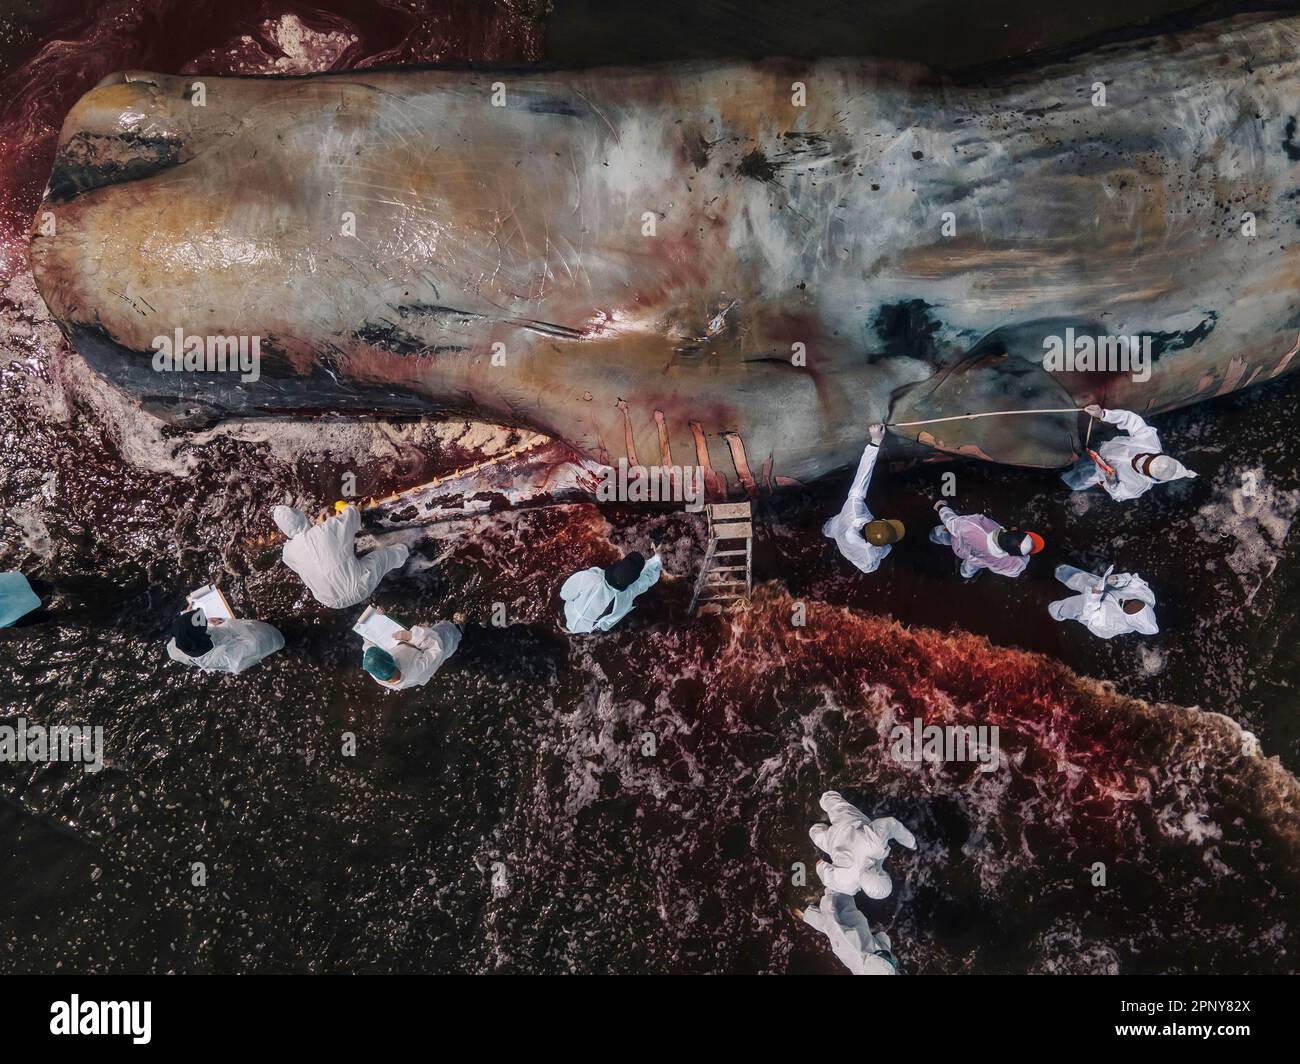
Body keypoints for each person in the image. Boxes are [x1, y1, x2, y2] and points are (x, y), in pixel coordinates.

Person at [273, 502, 409, 609]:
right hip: (360, 586)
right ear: (301, 516)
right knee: (383, 557)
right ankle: (408, 548)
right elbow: (353, 514)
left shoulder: (287, 553)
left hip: (332, 602)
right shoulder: (326, 529)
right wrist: (343, 506)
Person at [1062, 405, 1197, 501]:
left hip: (1097, 473)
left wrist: (1112, 483)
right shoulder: (1149, 441)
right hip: (1102, 447)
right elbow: (1131, 420)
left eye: (1143, 467)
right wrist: (1103, 414)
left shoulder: (1139, 486)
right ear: (1156, 454)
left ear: (1149, 476)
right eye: (1146, 459)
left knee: (1069, 481)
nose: (1139, 462)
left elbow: (1119, 495)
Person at [822, 424, 905, 574]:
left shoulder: (855, 506)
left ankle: (824, 532)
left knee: (827, 529)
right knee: (883, 554)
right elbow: (870, 567)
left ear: (879, 521)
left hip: (837, 526)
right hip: (850, 551)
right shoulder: (871, 555)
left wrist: (876, 441)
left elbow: (863, 474)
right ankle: (827, 534)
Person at [809, 791, 916, 900]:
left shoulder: (876, 845)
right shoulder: (848, 885)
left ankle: (822, 797)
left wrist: (910, 842)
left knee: (830, 799)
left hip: (848, 820)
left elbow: (891, 824)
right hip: (831, 841)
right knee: (814, 832)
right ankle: (815, 825)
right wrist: (821, 866)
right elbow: (824, 873)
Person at [560, 536, 664, 633]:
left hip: (568, 614)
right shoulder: (625, 598)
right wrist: (658, 556)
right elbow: (649, 578)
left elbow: (564, 594)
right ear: (634, 580)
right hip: (586, 628)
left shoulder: (592, 578)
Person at [928, 502, 1043, 580]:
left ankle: (934, 536)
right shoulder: (1016, 565)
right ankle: (964, 575)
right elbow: (1016, 569)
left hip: (959, 544)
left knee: (946, 534)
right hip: (978, 561)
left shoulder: (971, 529)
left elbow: (950, 521)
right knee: (968, 569)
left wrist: (941, 507)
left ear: (1014, 529)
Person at [799, 889, 898, 975]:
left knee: (829, 924)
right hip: (853, 917)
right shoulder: (881, 965)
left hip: (842, 914)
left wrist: (829, 894)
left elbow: (832, 922)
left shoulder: (850, 944)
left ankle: (803, 912)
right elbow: (883, 940)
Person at [1048, 564, 1158, 639]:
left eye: (1126, 606)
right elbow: (1132, 582)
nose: (1126, 601)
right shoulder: (1147, 597)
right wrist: (1116, 580)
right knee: (1085, 579)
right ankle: (1062, 572)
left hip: (1090, 607)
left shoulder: (1112, 626)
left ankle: (1056, 611)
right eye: (1133, 601)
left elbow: (1092, 617)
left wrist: (1094, 596)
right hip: (1105, 588)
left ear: (1127, 617)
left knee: (1070, 606)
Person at [166, 608, 284, 675]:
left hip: (222, 641)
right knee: (274, 637)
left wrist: (191, 616)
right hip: (256, 644)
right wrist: (225, 623)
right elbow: (253, 644)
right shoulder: (224, 655)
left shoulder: (177, 644)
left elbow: (185, 627)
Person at [361, 615, 463, 691]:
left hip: (411, 647)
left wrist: (378, 617)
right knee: (449, 634)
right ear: (391, 660)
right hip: (436, 647)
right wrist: (412, 636)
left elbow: (369, 645)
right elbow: (436, 648)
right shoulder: (416, 670)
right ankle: (460, 627)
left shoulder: (372, 666)